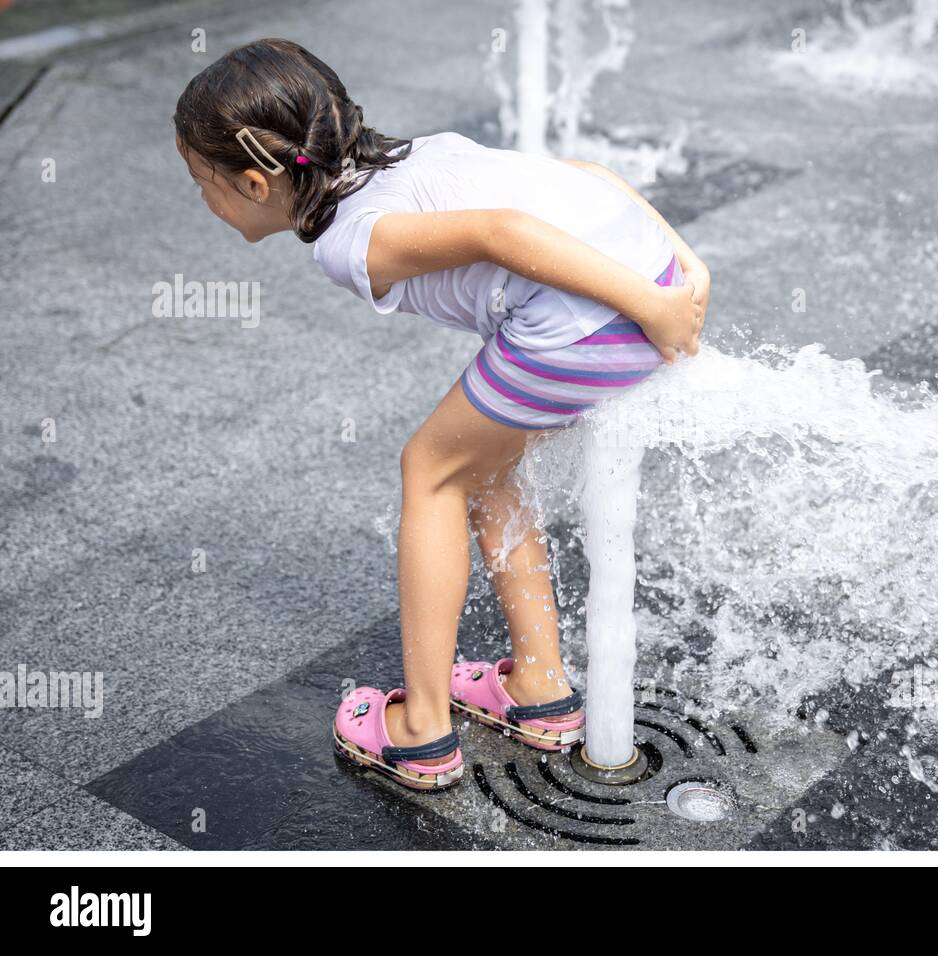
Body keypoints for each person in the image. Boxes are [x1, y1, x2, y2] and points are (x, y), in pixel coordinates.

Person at [174, 38, 710, 791]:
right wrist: (679, 270)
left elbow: (503, 235)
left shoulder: (351, 241)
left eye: (202, 181)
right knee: (484, 467)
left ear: (259, 184)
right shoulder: (420, 155)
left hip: (598, 323)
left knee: (430, 471)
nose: (201, 197)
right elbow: (591, 176)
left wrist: (651, 306)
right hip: (640, 281)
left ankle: (421, 730)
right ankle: (538, 685)